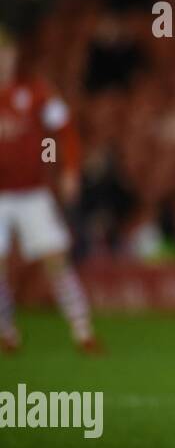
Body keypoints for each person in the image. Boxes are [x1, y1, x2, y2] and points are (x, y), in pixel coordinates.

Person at [0, 25, 102, 355]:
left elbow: (65, 129)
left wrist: (69, 169)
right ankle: (6, 331)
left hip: (32, 191)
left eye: (6, 55)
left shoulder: (35, 91)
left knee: (56, 259)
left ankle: (82, 330)